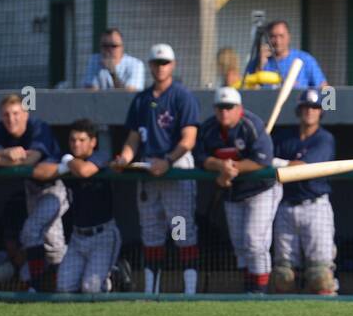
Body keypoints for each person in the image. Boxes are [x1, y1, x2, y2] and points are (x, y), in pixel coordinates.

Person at [112, 43, 201, 294]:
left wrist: (168, 161)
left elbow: (189, 139)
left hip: (176, 169)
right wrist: (124, 159)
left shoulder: (182, 96)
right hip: (148, 168)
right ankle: (151, 291)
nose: (160, 67)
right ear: (150, 66)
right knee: (151, 232)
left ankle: (189, 292)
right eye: (156, 63)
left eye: (165, 63)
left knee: (181, 230)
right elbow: (133, 139)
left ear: (172, 65)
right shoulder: (141, 99)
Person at [196, 87, 281, 294]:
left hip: (260, 190)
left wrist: (232, 168)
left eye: (229, 107)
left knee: (255, 242)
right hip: (233, 193)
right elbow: (200, 157)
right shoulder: (208, 128)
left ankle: (260, 290)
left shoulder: (252, 124)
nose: (224, 112)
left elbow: (263, 161)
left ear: (239, 108)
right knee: (240, 244)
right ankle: (249, 288)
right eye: (220, 108)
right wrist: (220, 166)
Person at [0, 94, 68, 291]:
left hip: (53, 189)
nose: (11, 119)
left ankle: (38, 287)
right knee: (53, 245)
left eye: (16, 114)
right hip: (32, 190)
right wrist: (4, 153)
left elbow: (31, 159)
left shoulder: (38, 127)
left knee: (31, 231)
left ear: (26, 114)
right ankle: (57, 286)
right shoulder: (1, 129)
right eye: (6, 115)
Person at [31, 119, 120, 293]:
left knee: (90, 288)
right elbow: (38, 171)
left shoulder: (100, 156)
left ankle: (114, 276)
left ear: (93, 142)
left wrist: (67, 161)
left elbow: (84, 171)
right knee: (63, 287)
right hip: (77, 238)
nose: (76, 144)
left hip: (103, 235)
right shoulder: (68, 161)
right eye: (72, 140)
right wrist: (63, 166)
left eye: (81, 140)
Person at [271, 88, 338, 295]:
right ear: (299, 110)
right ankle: (285, 312)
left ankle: (326, 310)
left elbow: (305, 167)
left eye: (315, 107)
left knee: (320, 274)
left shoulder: (324, 139)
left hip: (315, 206)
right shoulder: (284, 138)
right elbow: (263, 160)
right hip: (286, 205)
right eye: (306, 107)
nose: (310, 111)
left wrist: (278, 163)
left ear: (321, 111)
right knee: (283, 274)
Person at [262, 20, 327, 88]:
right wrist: (259, 66)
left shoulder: (305, 59)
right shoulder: (261, 61)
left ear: (288, 37)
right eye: (273, 37)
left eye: (281, 36)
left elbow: (324, 87)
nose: (278, 41)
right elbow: (254, 90)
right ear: (268, 39)